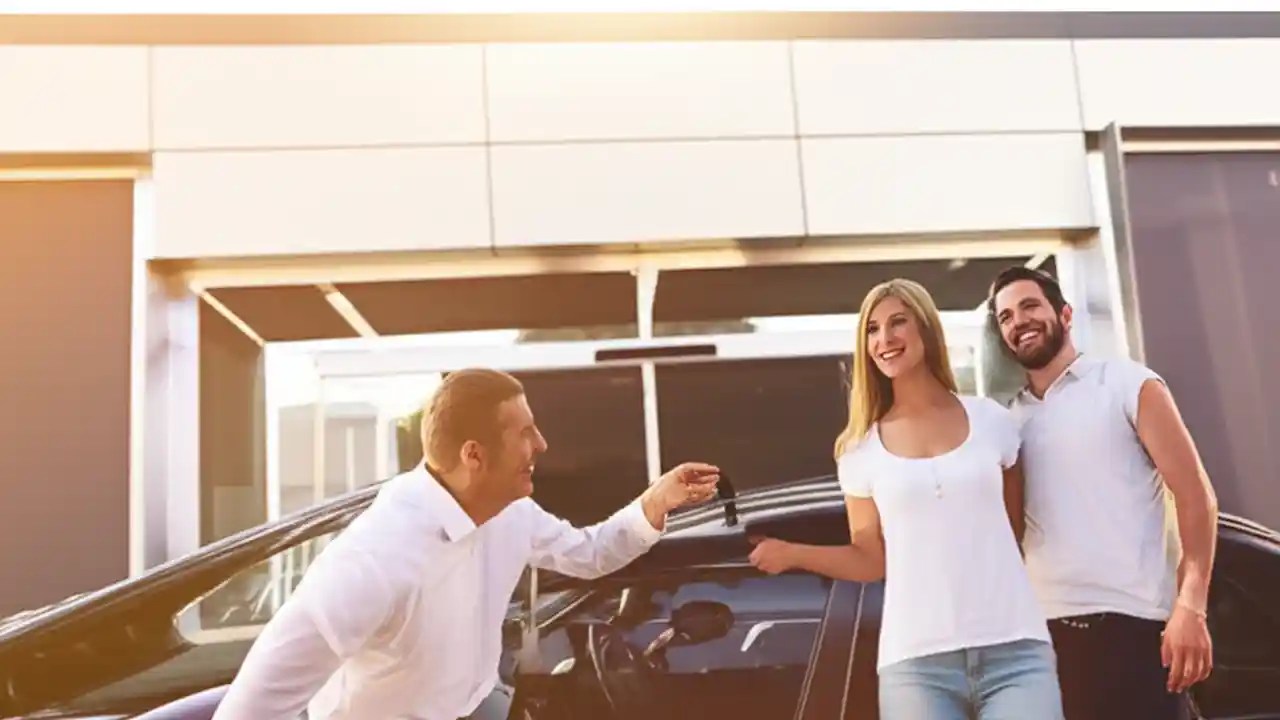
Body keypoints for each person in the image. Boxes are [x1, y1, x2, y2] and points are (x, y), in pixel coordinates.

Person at [212, 368, 720, 720]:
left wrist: (656, 501)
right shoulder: (372, 561)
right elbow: (252, 707)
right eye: (525, 433)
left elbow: (588, 554)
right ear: (474, 455)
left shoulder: (511, 512)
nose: (541, 445)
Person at [748, 279, 1064, 719]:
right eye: (873, 330)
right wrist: (791, 553)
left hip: (1015, 651)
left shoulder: (993, 421)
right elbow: (871, 559)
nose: (885, 339)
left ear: (926, 330)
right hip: (916, 665)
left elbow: (1011, 531)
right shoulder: (859, 450)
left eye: (898, 322)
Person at [988, 266, 1219, 720]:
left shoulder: (1129, 384)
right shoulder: (1004, 421)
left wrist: (1191, 606)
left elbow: (1196, 498)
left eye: (1030, 306)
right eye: (1006, 317)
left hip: (1134, 632)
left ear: (1066, 314)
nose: (1019, 321)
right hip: (1044, 645)